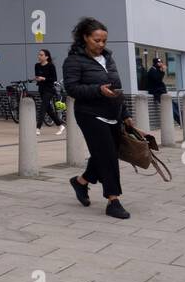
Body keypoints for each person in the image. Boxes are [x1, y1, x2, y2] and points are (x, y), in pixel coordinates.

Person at [63, 17, 133, 220]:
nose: (101, 45)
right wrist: (98, 90)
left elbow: (116, 88)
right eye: (96, 40)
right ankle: (113, 200)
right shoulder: (73, 61)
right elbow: (72, 89)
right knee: (108, 157)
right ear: (85, 37)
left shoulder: (108, 59)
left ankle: (81, 182)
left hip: (113, 113)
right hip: (90, 114)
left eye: (104, 41)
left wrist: (126, 114)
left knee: (103, 153)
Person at [34, 48, 63, 135]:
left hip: (49, 89)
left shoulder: (51, 66)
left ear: (46, 57)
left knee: (43, 107)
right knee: (49, 110)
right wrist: (37, 78)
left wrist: (44, 78)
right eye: (39, 55)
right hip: (41, 89)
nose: (39, 56)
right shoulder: (37, 65)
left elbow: (54, 79)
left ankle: (38, 128)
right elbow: (37, 76)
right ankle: (60, 125)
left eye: (41, 55)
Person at [145, 57, 176, 127]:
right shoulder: (152, 70)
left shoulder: (157, 70)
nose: (160, 64)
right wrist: (162, 71)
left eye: (161, 62)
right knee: (171, 109)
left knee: (175, 105)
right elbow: (157, 79)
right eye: (159, 62)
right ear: (155, 63)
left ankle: (183, 120)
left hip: (162, 93)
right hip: (157, 93)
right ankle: (181, 121)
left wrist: (161, 71)